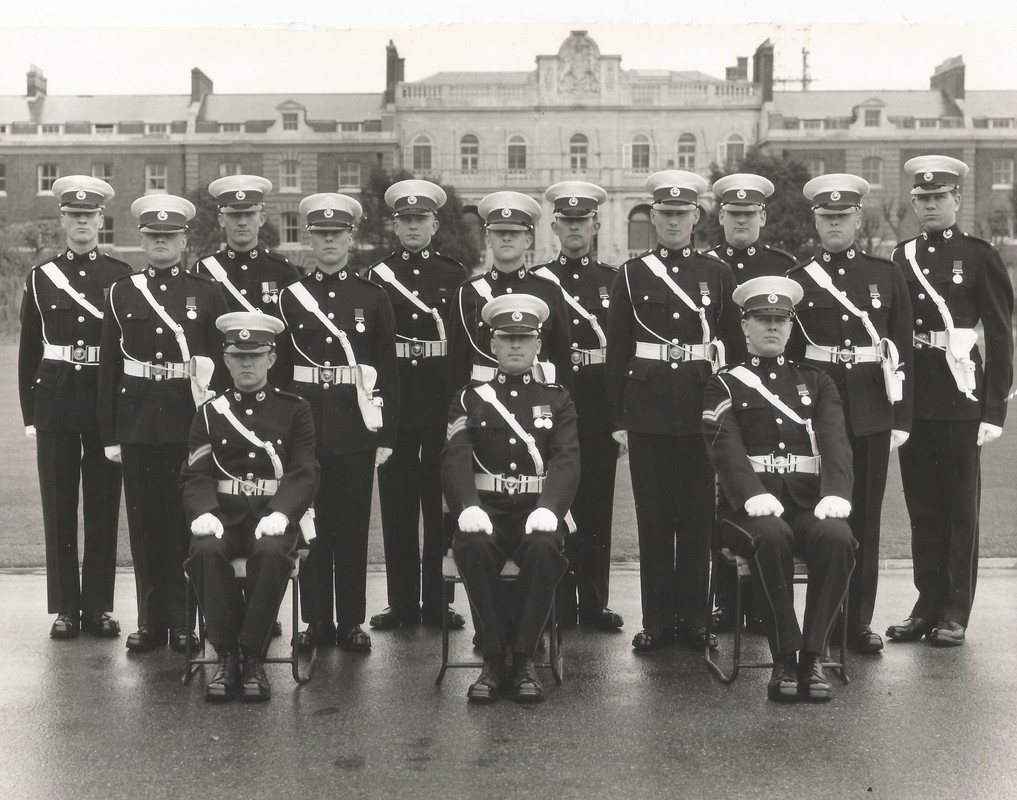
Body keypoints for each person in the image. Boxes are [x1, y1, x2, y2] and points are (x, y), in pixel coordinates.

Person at [605, 170, 744, 652]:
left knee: (698, 519)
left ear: (696, 217)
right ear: (653, 216)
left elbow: (734, 349)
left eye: (681, 213)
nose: (671, 221)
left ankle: (696, 619)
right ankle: (658, 620)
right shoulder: (632, 273)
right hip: (648, 412)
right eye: (663, 213)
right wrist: (618, 420)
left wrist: (730, 413)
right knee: (655, 519)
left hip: (702, 409)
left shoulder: (718, 273)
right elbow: (617, 351)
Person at [703, 276, 855, 702]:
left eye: (780, 320)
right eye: (762, 319)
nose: (772, 327)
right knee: (772, 536)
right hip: (745, 510)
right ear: (745, 326)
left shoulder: (817, 381)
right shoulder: (724, 383)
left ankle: (812, 655)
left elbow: (835, 441)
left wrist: (836, 492)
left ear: (791, 327)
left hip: (807, 503)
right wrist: (750, 492)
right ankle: (784, 656)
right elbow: (723, 446)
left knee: (838, 538)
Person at [886, 156, 1014, 647]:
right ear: (914, 204)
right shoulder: (901, 258)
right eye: (922, 199)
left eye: (939, 197)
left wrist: (995, 409)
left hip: (962, 396)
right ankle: (925, 604)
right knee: (923, 508)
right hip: (916, 399)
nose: (931, 205)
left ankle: (955, 610)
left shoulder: (980, 255)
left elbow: (1000, 336)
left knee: (961, 509)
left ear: (957, 200)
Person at [787, 173, 913, 654]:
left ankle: (856, 622)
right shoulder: (798, 282)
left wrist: (900, 418)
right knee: (822, 518)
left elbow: (903, 354)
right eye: (826, 217)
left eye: (843, 216)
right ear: (815, 221)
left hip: (871, 413)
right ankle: (819, 624)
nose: (834, 224)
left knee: (864, 521)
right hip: (817, 420)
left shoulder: (885, 275)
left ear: (858, 218)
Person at [98, 194, 228, 653]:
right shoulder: (122, 292)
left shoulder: (205, 292)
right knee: (144, 525)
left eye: (169, 236)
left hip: (187, 424)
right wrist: (110, 433)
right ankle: (151, 620)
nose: (160, 243)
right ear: (142, 238)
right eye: (153, 236)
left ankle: (183, 621)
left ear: (183, 239)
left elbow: (220, 368)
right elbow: (108, 368)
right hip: (135, 422)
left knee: (185, 525)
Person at [275, 193, 399, 653]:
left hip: (355, 426)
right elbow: (282, 370)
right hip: (306, 428)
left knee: (351, 528)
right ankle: (315, 621)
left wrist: (385, 435)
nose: (329, 241)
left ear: (351, 237)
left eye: (337, 233)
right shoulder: (291, 298)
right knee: (310, 526)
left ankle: (350, 620)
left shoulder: (372, 296)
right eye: (321, 233)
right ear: (310, 238)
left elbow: (387, 369)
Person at [442, 294, 579, 704]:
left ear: (538, 345)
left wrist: (550, 509)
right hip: (487, 511)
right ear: (493, 345)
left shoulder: (558, 400)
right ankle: (493, 658)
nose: (516, 346)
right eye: (507, 338)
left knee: (542, 548)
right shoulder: (470, 398)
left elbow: (566, 459)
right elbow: (455, 457)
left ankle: (523, 659)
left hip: (535, 512)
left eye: (525, 338)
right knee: (473, 546)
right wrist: (467, 505)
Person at [181, 312, 319, 702]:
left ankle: (252, 656)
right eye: (238, 356)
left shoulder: (295, 410)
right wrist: (204, 511)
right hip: (223, 516)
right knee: (205, 551)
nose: (246, 364)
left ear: (271, 359)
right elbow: (194, 473)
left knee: (274, 553)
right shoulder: (209, 412)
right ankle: (226, 657)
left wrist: (282, 512)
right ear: (225, 359)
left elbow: (305, 469)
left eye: (255, 356)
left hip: (270, 517)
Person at [18, 175, 131, 639]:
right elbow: (29, 348)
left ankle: (99, 607)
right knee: (60, 507)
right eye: (74, 215)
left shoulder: (122, 276)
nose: (82, 222)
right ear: (62, 219)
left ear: (101, 220)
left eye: (90, 215)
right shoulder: (41, 276)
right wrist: (29, 413)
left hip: (105, 404)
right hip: (57, 399)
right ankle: (66, 607)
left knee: (103, 507)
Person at [365, 180, 467, 631]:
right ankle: (402, 603)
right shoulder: (376, 276)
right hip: (396, 402)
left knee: (439, 506)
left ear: (434, 224)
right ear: (395, 225)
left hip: (438, 401)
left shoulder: (454, 274)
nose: (412, 226)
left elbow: (462, 347)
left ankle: (437, 603)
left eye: (420, 220)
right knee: (397, 507)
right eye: (405, 220)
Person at [706, 173, 798, 634]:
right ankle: (725, 601)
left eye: (749, 214)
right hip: (724, 392)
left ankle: (764, 604)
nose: (741, 221)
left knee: (770, 494)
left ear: (762, 216)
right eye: (733, 214)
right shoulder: (706, 266)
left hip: (771, 399)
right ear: (720, 216)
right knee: (725, 493)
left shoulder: (783, 266)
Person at [532, 180, 622, 631]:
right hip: (552, 407)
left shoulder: (612, 281)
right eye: (566, 221)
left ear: (595, 224)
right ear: (554, 226)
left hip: (599, 407)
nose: (574, 227)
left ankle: (595, 602)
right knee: (555, 501)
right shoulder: (538, 284)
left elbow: (622, 353)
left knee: (597, 505)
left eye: (581, 220)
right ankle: (558, 601)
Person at [446, 191, 574, 394]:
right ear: (488, 239)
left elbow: (563, 367)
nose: (506, 238)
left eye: (514, 233)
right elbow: (455, 370)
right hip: (483, 405)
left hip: (536, 405)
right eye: (499, 232)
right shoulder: (467, 294)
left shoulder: (550, 292)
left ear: (528, 240)